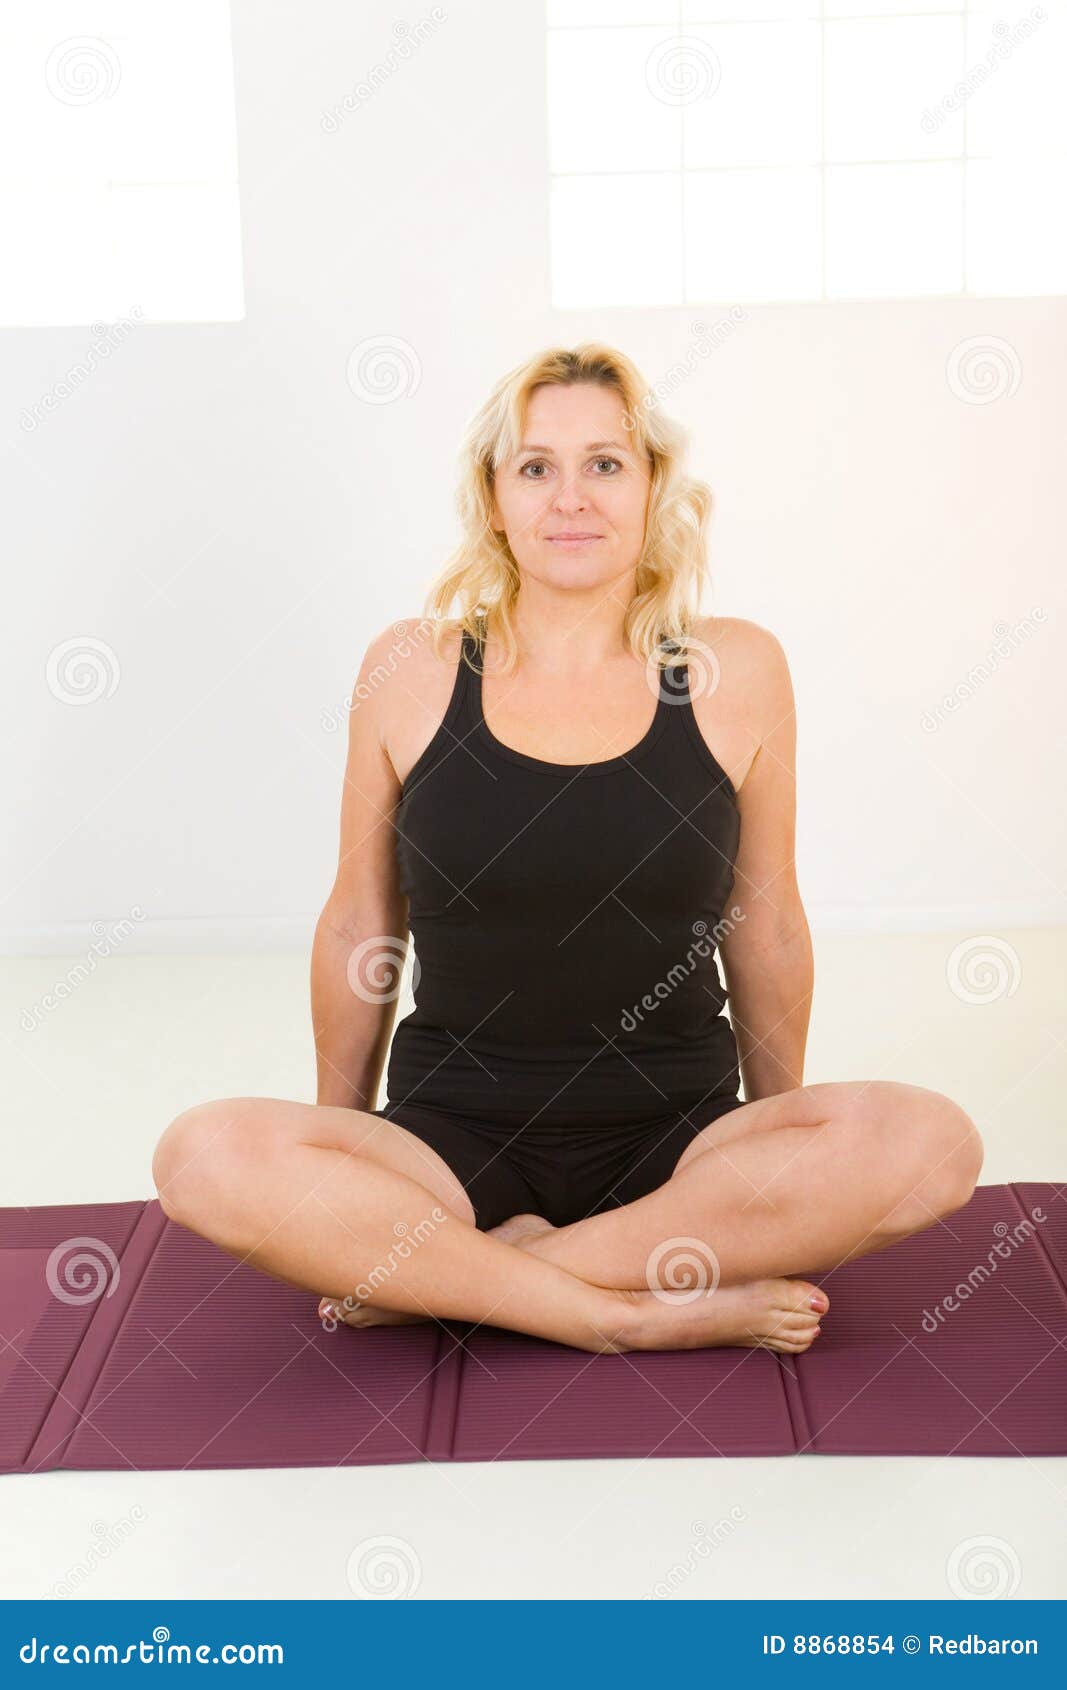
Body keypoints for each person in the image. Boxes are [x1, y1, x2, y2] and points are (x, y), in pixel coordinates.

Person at [152, 343, 983, 1357]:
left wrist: (784, 1151)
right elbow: (359, 921)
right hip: (447, 1140)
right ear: (494, 498)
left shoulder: (736, 669)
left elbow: (763, 919)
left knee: (932, 1144)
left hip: (677, 1142)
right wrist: (343, 1157)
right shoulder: (408, 670)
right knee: (200, 1156)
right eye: (535, 467)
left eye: (605, 463)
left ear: (649, 491)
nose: (570, 497)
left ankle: (478, 1277)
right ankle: (619, 1309)